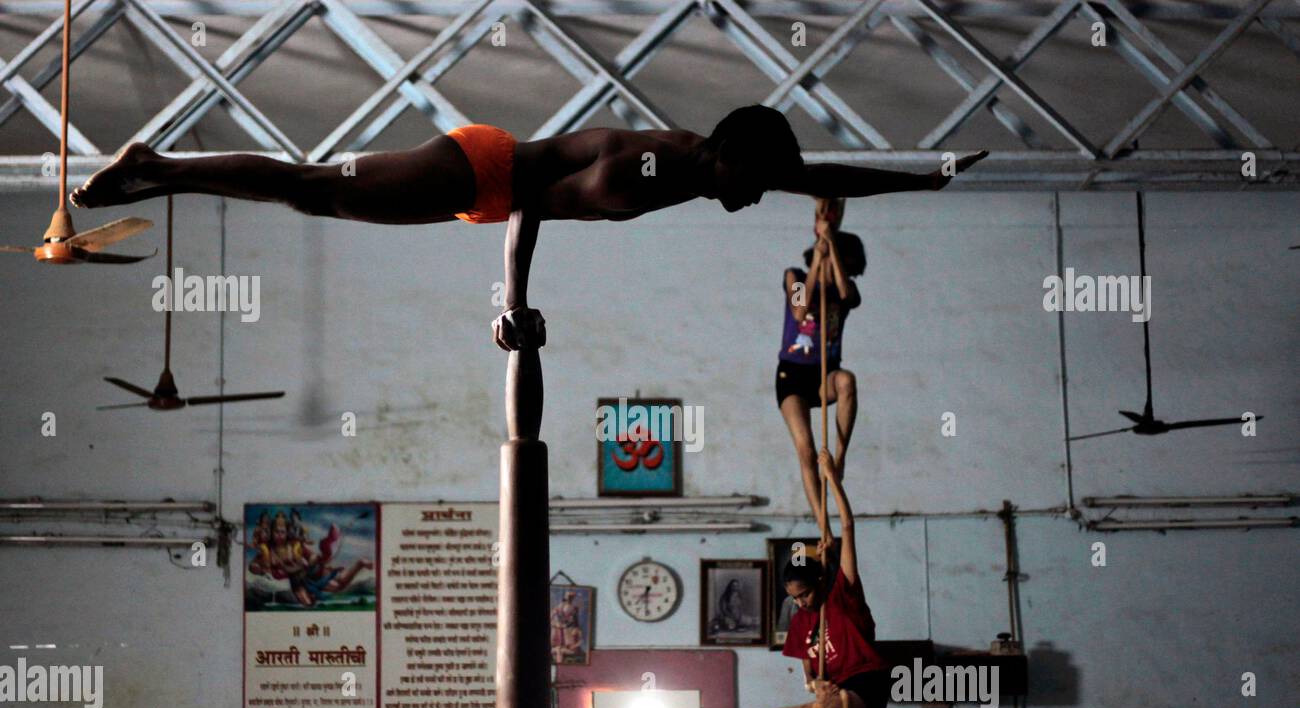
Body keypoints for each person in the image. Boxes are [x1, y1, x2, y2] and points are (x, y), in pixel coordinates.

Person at [69, 105, 986, 350]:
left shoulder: (706, 169)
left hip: (485, 180)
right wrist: (511, 302)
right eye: (759, 187)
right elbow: (537, 203)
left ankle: (162, 172)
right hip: (478, 169)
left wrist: (928, 179)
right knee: (313, 190)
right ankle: (159, 169)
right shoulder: (657, 169)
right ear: (733, 159)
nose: (761, 203)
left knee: (315, 193)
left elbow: (820, 174)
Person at [755, 449, 890, 708]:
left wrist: (832, 477)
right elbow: (809, 672)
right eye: (793, 598)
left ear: (820, 581)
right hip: (833, 694)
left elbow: (847, 526)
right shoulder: (800, 622)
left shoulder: (843, 596)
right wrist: (816, 689)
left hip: (867, 685)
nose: (801, 603)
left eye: (805, 593)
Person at [778, 199, 867, 525]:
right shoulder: (795, 277)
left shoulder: (848, 290)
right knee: (806, 450)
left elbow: (844, 293)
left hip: (824, 373)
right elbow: (800, 312)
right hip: (793, 374)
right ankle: (822, 521)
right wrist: (818, 259)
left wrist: (831, 245)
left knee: (847, 381)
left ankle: (839, 462)